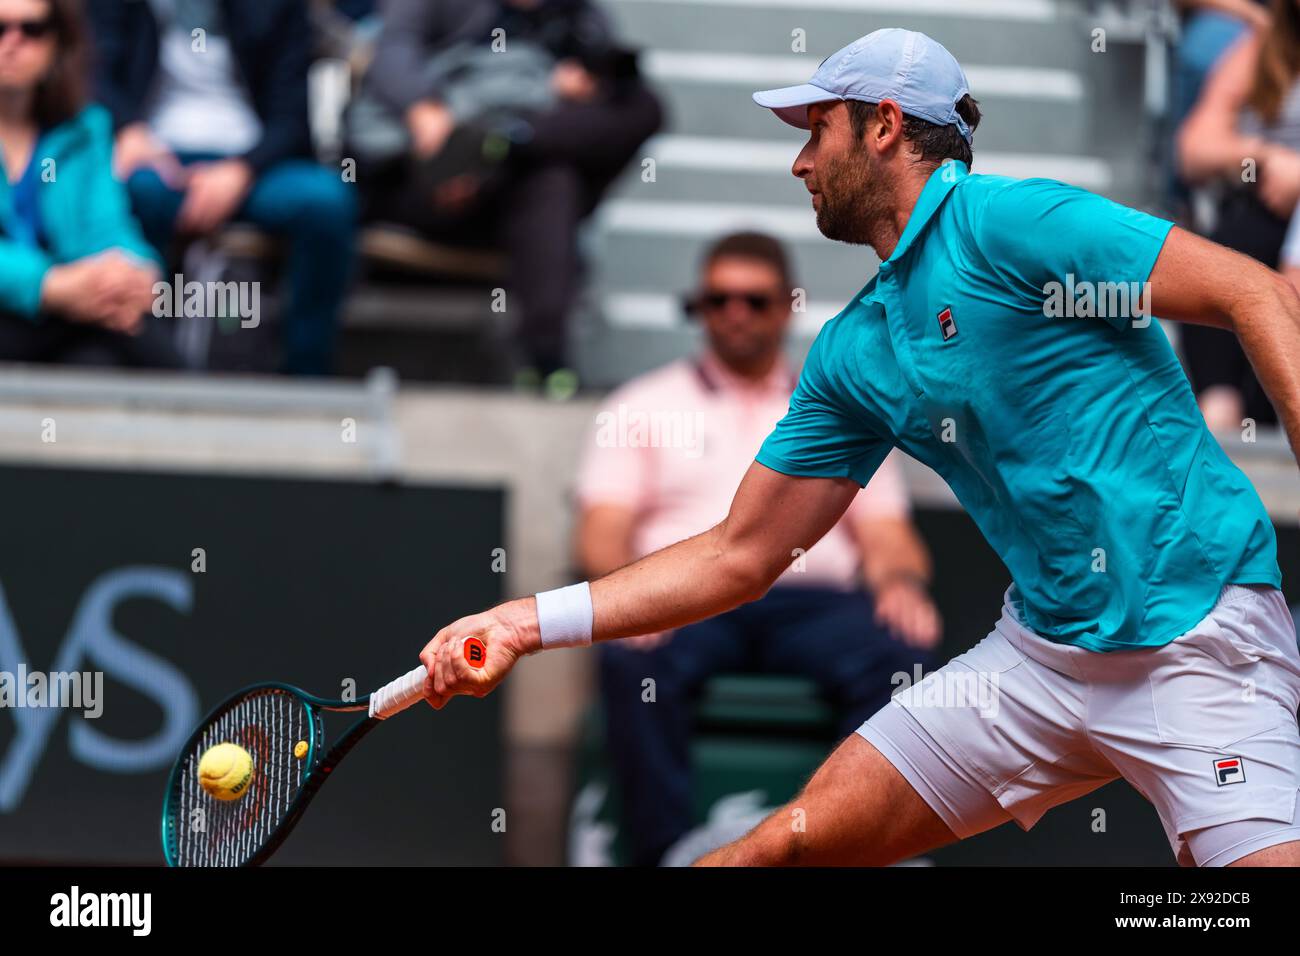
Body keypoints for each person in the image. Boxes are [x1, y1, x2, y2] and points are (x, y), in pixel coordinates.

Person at [413, 29, 1300, 867]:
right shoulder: (857, 349)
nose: (799, 162)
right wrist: (522, 623)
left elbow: (1256, 292)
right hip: (1042, 660)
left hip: (1205, 639)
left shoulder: (1015, 224)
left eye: (817, 130)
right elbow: (739, 554)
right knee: (778, 849)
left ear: (884, 126)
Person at [577, 230, 940, 866]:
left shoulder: (838, 406)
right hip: (691, 595)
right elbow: (602, 530)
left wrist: (899, 583)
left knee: (899, 648)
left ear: (785, 305)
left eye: (752, 299)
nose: (734, 313)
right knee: (631, 661)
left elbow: (886, 534)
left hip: (811, 601)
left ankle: (861, 845)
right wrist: (629, 596)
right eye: (717, 300)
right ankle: (669, 853)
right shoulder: (643, 404)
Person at [357, 0, 662, 394]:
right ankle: (548, 360)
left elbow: (618, 96)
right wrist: (422, 108)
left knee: (588, 148)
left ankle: (504, 142)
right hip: (423, 178)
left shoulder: (582, 18)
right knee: (553, 175)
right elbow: (393, 52)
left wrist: (570, 89)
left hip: (516, 176)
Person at [84, 0, 358, 376]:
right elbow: (93, 77)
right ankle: (150, 364)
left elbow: (292, 118)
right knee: (130, 197)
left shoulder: (279, 9)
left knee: (327, 203)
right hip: (155, 156)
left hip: (254, 161)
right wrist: (126, 129)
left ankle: (307, 375)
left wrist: (242, 170)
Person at [0, 0, 177, 368]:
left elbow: (109, 225)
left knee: (114, 350)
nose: (12, 43)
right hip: (27, 304)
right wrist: (48, 286)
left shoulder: (86, 127)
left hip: (70, 310)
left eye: (32, 30)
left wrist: (135, 273)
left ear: (58, 43)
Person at [1177, 0, 1300, 430]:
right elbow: (1194, 149)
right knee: (1218, 255)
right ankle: (1222, 410)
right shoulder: (1265, 48)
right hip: (1264, 212)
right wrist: (1265, 156)